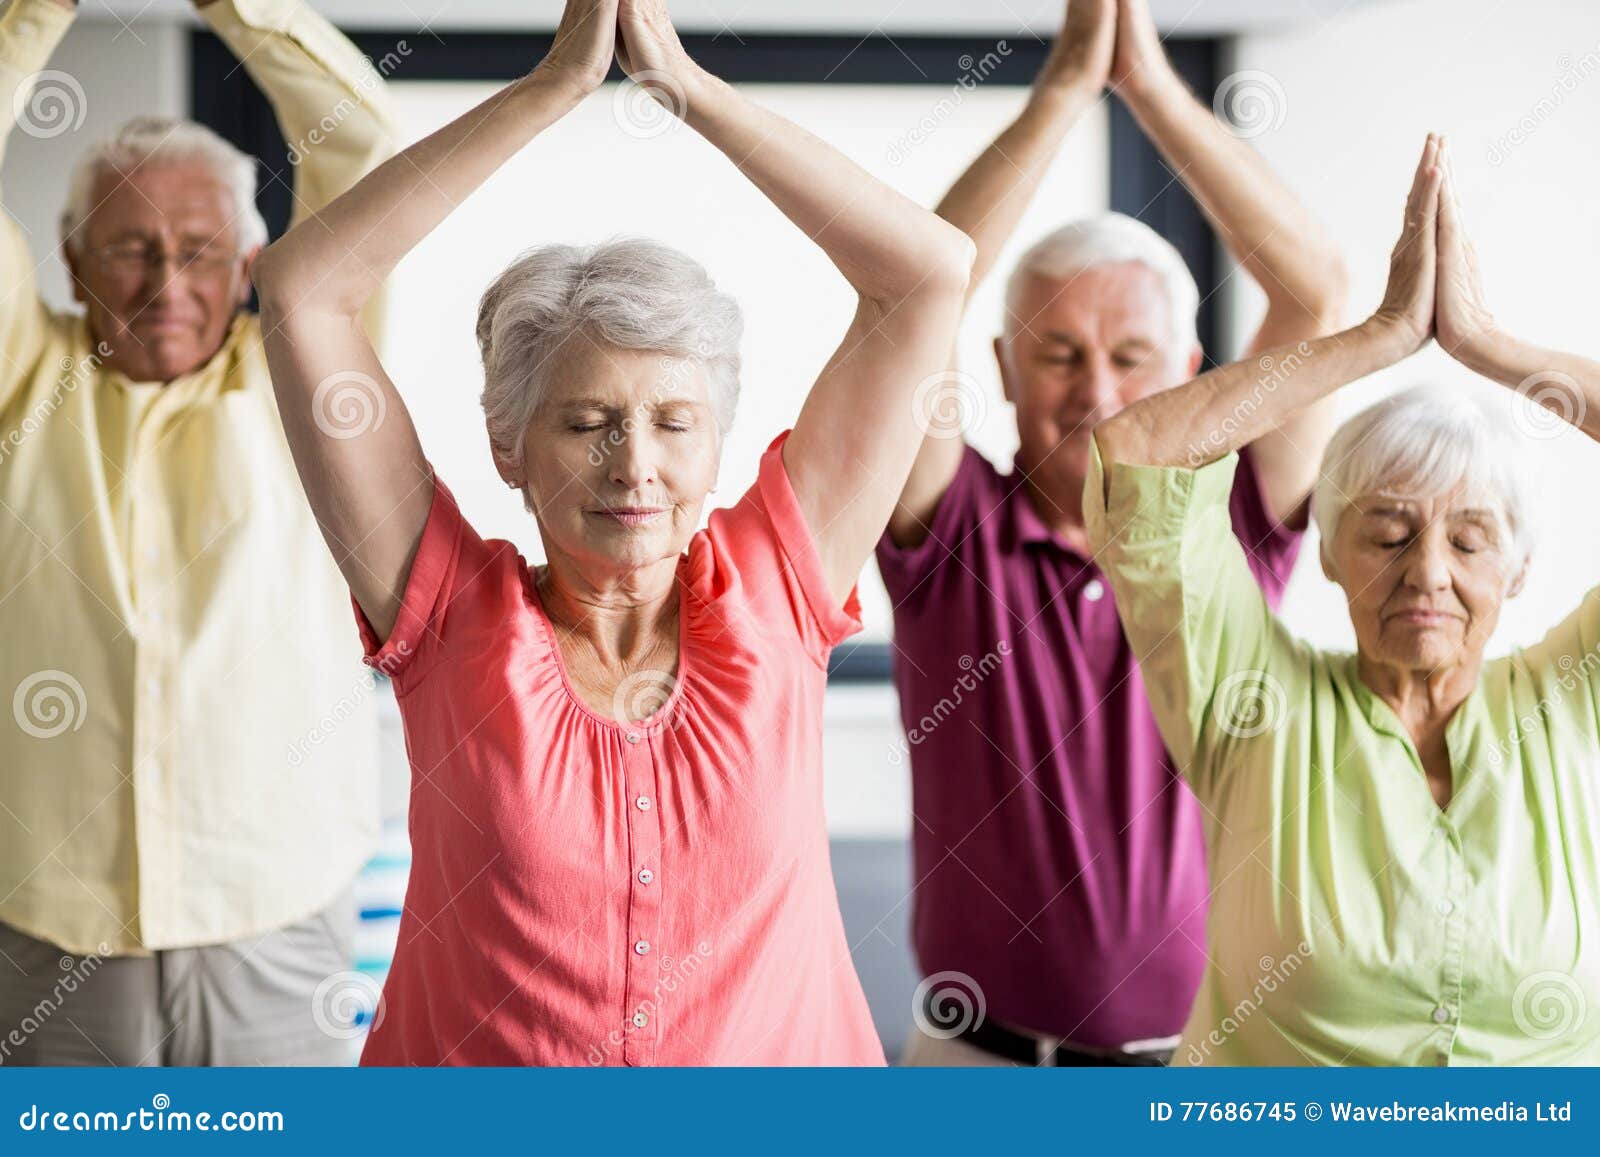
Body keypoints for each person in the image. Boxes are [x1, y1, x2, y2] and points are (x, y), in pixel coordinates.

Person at [251, 0, 974, 1066]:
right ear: (508, 445)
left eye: (673, 423)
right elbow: (305, 292)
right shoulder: (446, 608)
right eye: (585, 423)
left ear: (714, 440)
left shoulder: (778, 579)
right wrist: (552, 91)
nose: (634, 463)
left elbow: (927, 273)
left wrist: (689, 90)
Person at [879, 0, 1346, 1065]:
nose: (1095, 390)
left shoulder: (1232, 521)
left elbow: (1314, 294)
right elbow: (916, 285)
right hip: (976, 1070)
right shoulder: (949, 526)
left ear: (1187, 374)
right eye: (1058, 354)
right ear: (1000, 367)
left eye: (1129, 356)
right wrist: (1060, 92)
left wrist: (1148, 86)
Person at [1086, 133, 1600, 1065]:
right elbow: (1137, 456)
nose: (1428, 572)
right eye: (1390, 533)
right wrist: (1378, 338)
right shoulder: (1256, 705)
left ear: (1520, 567)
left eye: (1471, 538)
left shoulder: (1570, 700)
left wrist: (1488, 344)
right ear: (1328, 552)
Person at [0, 0, 396, 1065]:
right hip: (46, 920)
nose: (168, 284)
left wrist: (240, 6)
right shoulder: (20, 381)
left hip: (272, 903)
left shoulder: (308, 378)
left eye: (199, 251)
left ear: (250, 266)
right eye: (130, 250)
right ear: (74, 264)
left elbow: (364, 144)